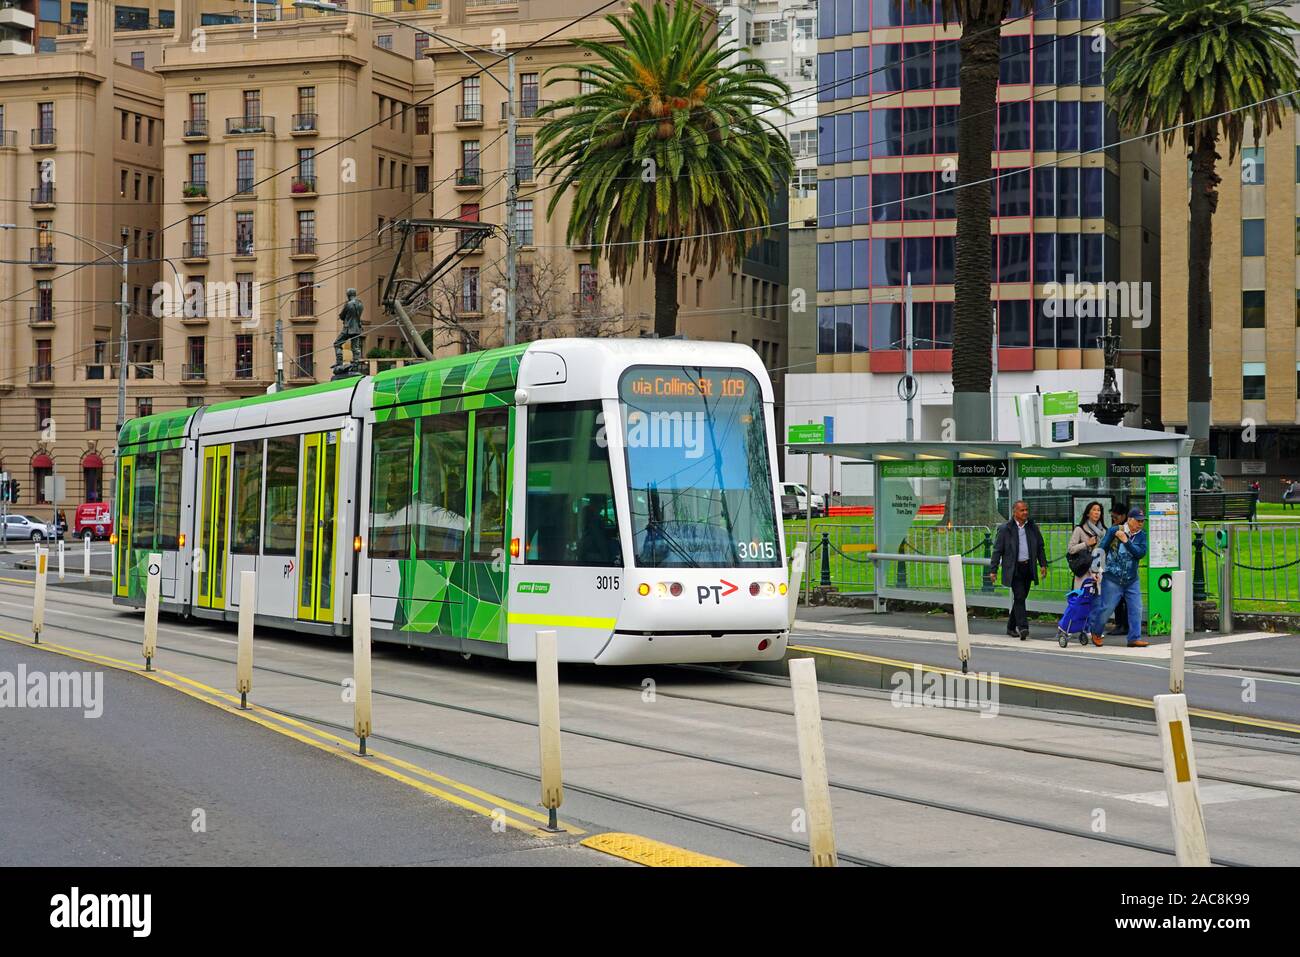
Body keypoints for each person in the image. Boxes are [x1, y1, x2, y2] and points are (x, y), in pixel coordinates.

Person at [1089, 506, 1149, 648]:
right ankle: (1096, 632)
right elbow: (1102, 547)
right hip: (1112, 578)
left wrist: (1126, 541)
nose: (1140, 524)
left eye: (1142, 521)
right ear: (1129, 520)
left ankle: (1134, 638)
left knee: (1136, 608)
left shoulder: (1142, 535)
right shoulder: (1114, 531)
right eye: (1138, 521)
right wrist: (1095, 569)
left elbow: (1140, 553)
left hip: (1131, 579)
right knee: (1107, 608)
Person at [989, 500, 1048, 640]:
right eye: (1022, 510)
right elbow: (997, 550)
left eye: (1026, 510)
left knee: (1021, 598)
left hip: (1028, 567)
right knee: (1020, 596)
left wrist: (1043, 564)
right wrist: (993, 570)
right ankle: (1023, 627)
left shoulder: (1032, 527)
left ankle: (1010, 627)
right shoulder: (1005, 529)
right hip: (1014, 568)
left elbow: (1040, 547)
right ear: (1014, 512)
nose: (1025, 512)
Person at [1067, 501, 1106, 588]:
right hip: (1084, 570)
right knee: (1084, 599)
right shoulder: (1079, 529)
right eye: (1094, 510)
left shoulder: (1103, 532)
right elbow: (1071, 549)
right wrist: (1086, 544)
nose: (1097, 512)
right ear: (1088, 514)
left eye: (1099, 510)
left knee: (1098, 599)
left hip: (1099, 571)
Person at [1105, 501, 1129, 634]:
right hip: (1115, 568)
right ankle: (1121, 624)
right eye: (1112, 516)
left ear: (1123, 516)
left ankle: (1123, 624)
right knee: (1119, 598)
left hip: (1123, 568)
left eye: (1116, 516)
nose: (1113, 519)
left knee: (1122, 598)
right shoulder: (1115, 528)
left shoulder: (1124, 529)